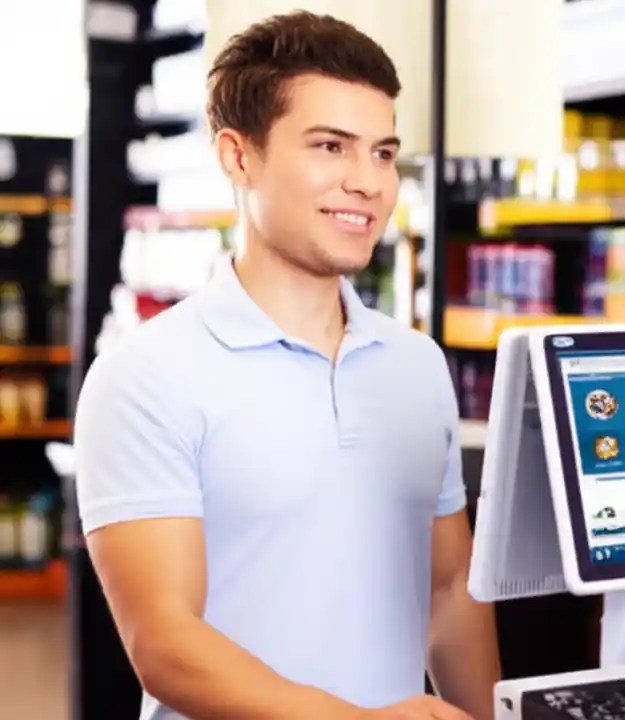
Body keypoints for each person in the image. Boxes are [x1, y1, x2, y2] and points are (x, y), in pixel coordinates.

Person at [74, 12, 499, 720]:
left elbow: (450, 591)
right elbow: (167, 644)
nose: (367, 182)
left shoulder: (416, 366)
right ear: (239, 157)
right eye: (331, 146)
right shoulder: (145, 377)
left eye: (384, 153)